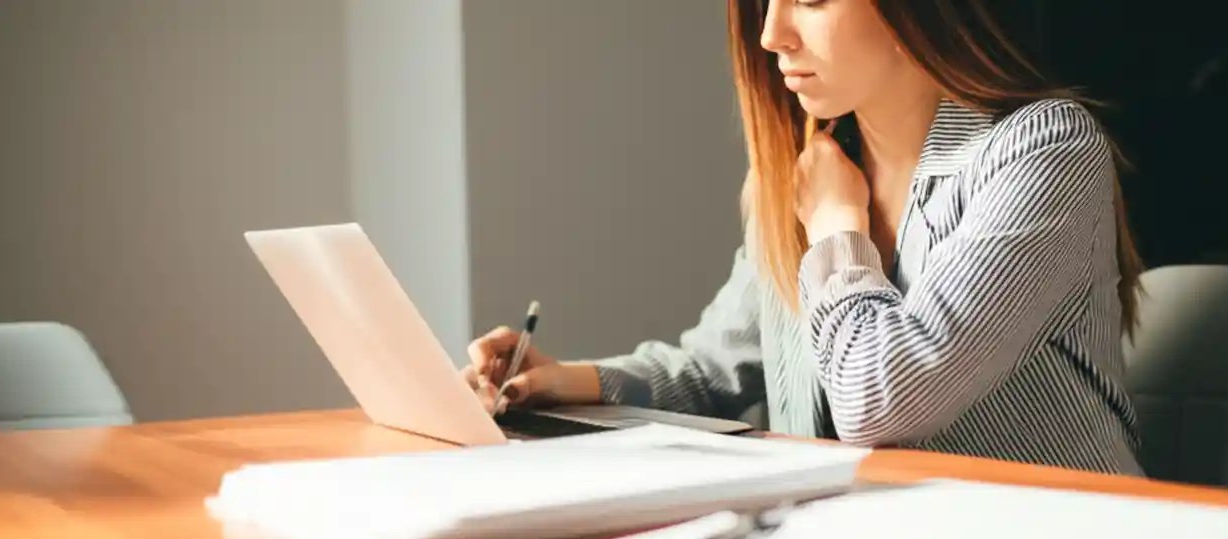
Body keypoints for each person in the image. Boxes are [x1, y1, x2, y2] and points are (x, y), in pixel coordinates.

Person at [463, 0, 1145, 476]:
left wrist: (837, 229)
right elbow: (712, 370)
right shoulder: (807, 172)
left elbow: (885, 399)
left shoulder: (1043, 148)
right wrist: (561, 381)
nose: (772, 34)